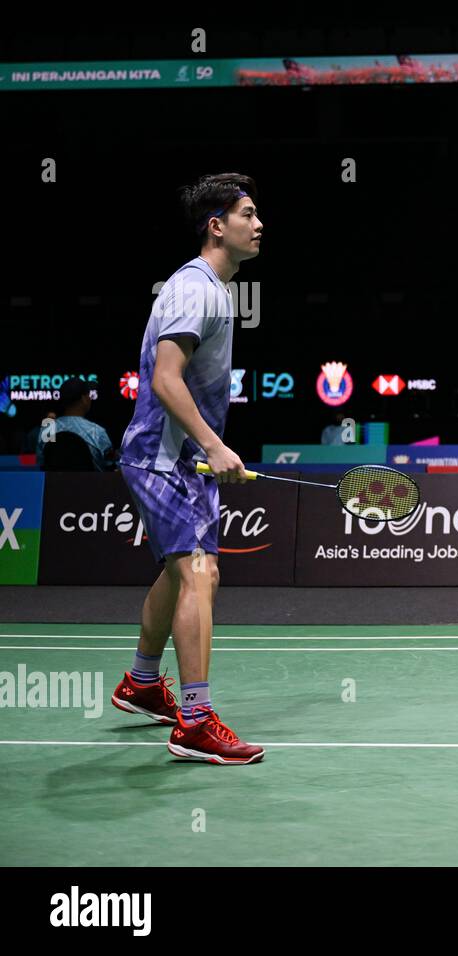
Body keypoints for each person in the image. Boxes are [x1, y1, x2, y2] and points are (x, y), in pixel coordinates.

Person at [112, 172, 264, 764]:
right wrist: (213, 446)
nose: (259, 223)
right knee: (201, 572)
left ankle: (144, 684)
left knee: (181, 574)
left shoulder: (211, 290)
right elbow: (164, 379)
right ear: (216, 224)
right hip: (165, 457)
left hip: (182, 460)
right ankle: (195, 724)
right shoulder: (197, 289)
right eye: (247, 213)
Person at [35, 377, 116, 471]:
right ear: (84, 398)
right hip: (90, 485)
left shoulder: (48, 428)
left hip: (55, 485)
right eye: (88, 395)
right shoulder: (97, 432)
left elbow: (41, 463)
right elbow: (110, 467)